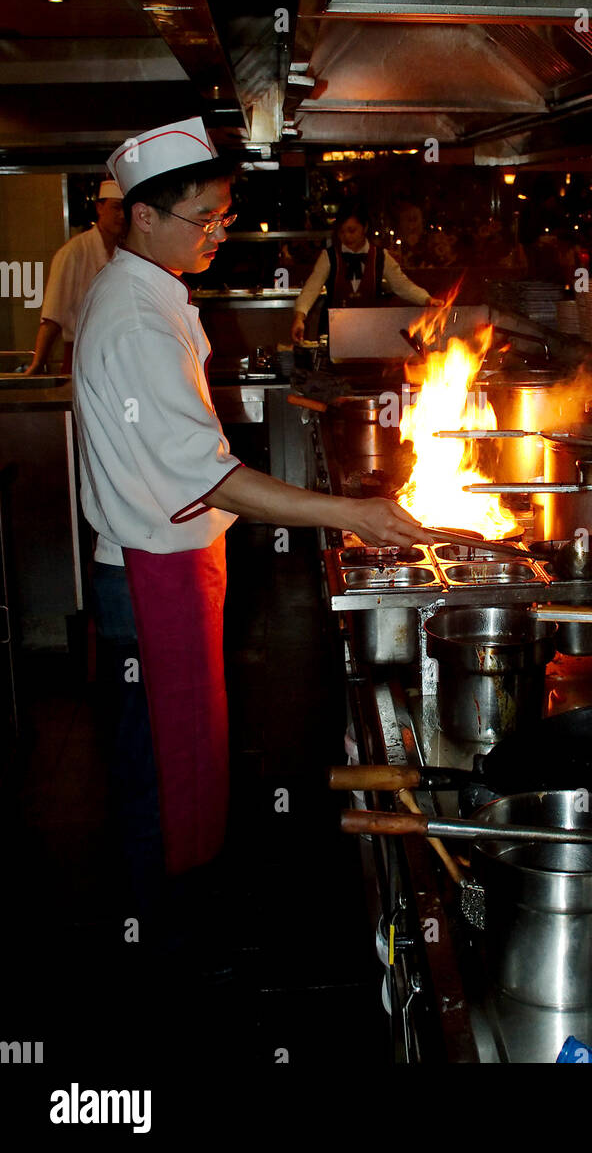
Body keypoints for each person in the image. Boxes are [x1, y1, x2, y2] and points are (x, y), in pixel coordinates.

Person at [73, 117, 423, 961]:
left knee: (173, 759)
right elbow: (212, 477)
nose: (218, 233)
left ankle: (168, 921)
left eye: (224, 217)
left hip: (170, 566)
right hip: (150, 579)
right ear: (143, 216)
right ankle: (162, 948)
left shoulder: (150, 294)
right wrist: (355, 516)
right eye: (207, 218)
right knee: (160, 771)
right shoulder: (135, 322)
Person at [290, 200, 441, 344]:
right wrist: (299, 317)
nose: (347, 237)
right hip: (334, 332)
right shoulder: (329, 256)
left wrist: (427, 299)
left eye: (352, 230)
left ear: (365, 228)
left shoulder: (381, 256)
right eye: (342, 232)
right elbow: (311, 289)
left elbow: (403, 286)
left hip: (371, 331)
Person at [26, 179, 124, 374]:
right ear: (99, 207)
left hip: (121, 358)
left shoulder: (128, 250)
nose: (122, 216)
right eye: (116, 208)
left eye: (125, 209)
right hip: (81, 358)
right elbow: (52, 316)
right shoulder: (74, 252)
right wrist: (38, 364)